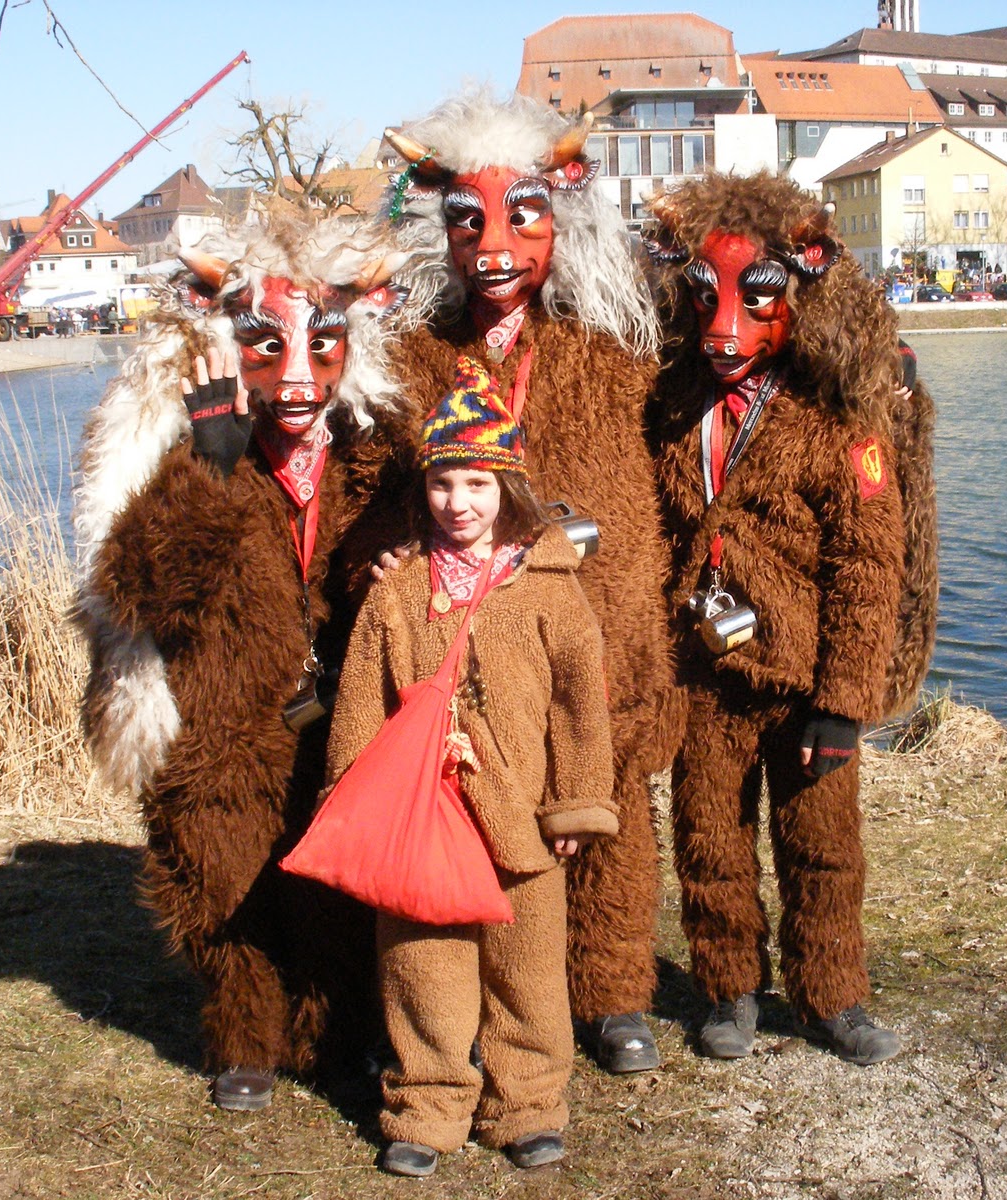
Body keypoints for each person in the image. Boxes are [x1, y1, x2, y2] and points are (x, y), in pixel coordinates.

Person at [75, 217, 413, 1113]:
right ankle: (246, 1040)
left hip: (335, 705)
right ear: (228, 349)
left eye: (321, 344)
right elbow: (146, 590)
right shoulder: (194, 447)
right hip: (220, 718)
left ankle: (338, 1035)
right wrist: (215, 467)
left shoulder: (372, 450)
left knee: (334, 879)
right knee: (223, 880)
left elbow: (416, 529)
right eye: (266, 347)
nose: (296, 375)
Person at [380, 92, 683, 1073]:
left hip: (598, 625)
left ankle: (613, 989)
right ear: (443, 232)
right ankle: (480, 999)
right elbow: (373, 485)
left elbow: (661, 480)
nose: (497, 247)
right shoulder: (413, 358)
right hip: (469, 642)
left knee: (608, 808)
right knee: (476, 811)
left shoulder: (612, 352)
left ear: (566, 222)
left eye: (523, 219)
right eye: (470, 224)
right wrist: (383, 568)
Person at [646, 172, 935, 1066]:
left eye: (756, 298)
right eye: (706, 297)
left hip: (806, 673)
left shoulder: (838, 421)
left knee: (822, 846)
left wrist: (845, 702)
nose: (724, 324)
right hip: (704, 667)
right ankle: (729, 986)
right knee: (708, 837)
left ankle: (832, 995)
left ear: (802, 298)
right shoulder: (672, 400)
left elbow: (868, 565)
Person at [325, 356, 615, 1178]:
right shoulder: (398, 588)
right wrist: (355, 801)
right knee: (423, 965)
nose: (460, 504)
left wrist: (577, 803)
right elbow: (360, 700)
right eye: (445, 485)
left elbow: (579, 707)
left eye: (479, 486)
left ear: (508, 490)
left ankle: (526, 1103)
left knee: (526, 970)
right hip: (424, 814)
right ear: (426, 491)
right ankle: (427, 1102)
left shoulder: (551, 588)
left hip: (522, 814)